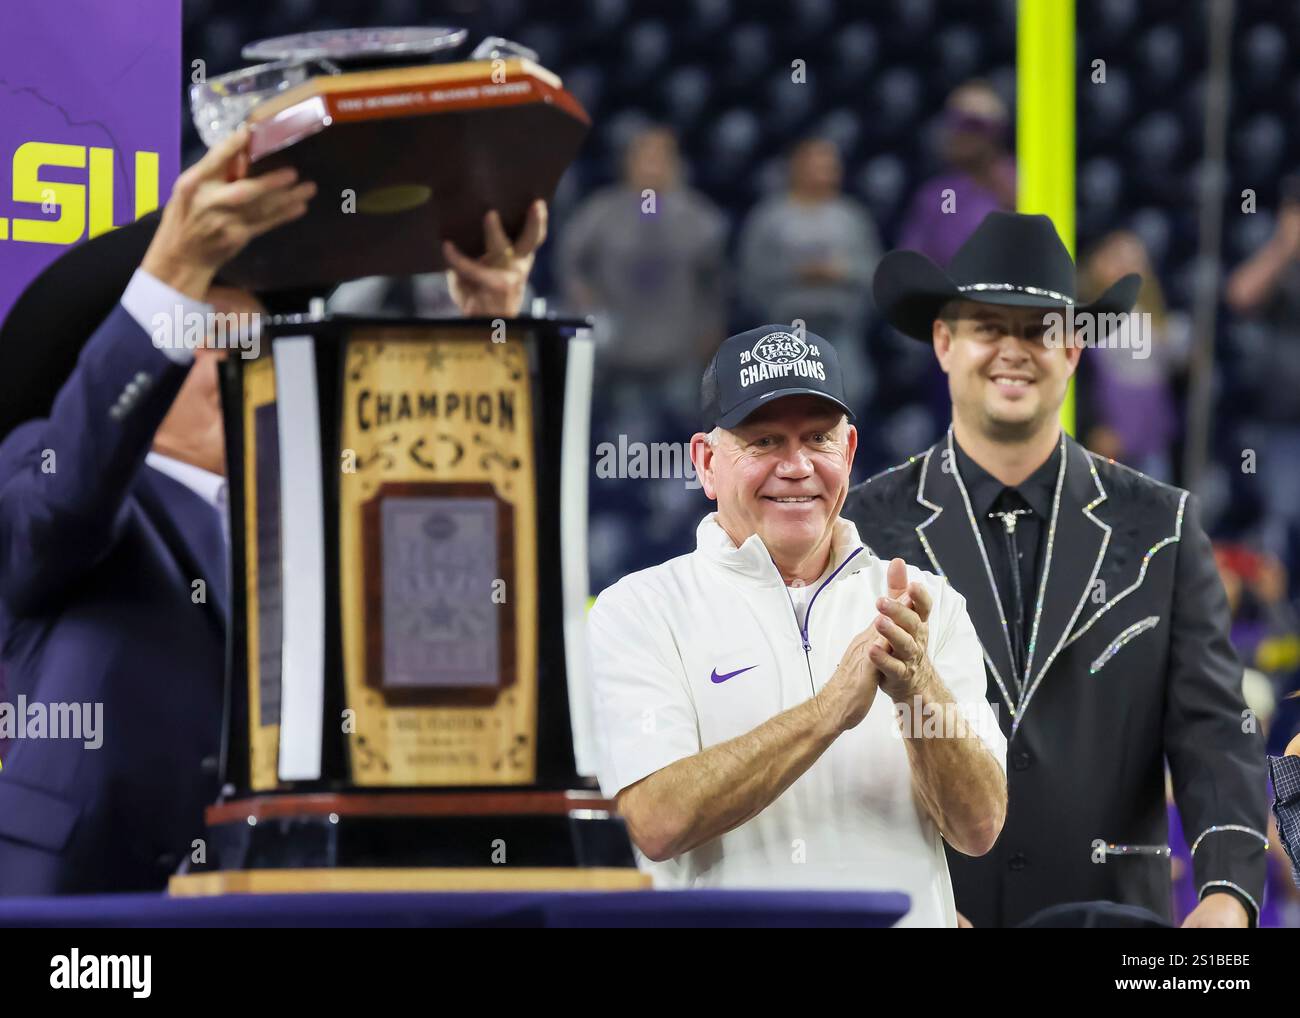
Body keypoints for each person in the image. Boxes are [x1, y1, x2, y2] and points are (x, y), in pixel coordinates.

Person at [0, 126, 544, 893]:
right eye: (208, 331)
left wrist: (492, 330)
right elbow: (68, 497)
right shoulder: (44, 466)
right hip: (83, 898)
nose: (240, 355)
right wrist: (174, 271)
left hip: (275, 893)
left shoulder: (316, 513)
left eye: (253, 335)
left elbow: (450, 567)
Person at [842, 211, 1269, 927]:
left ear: (1073, 350)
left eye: (1040, 329)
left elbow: (1213, 731)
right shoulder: (865, 527)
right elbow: (839, 741)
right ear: (944, 343)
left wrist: (1227, 895)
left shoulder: (1160, 526)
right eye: (988, 327)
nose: (1015, 350)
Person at [587, 324, 1007, 927]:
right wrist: (831, 707)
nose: (796, 466)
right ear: (706, 462)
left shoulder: (924, 604)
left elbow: (980, 826)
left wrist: (918, 688)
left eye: (817, 439)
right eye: (763, 442)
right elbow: (655, 821)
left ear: (850, 453)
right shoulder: (641, 610)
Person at [737, 137, 881, 413]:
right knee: (786, 413)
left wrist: (842, 272)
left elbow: (873, 274)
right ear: (796, 166)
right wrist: (796, 273)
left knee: (845, 412)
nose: (824, 170)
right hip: (781, 338)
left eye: (830, 164)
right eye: (815, 163)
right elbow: (749, 277)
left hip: (841, 336)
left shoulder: (853, 217)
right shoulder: (770, 217)